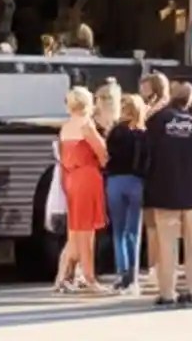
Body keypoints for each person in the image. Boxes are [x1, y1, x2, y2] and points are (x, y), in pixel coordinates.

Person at [144, 82, 192, 308]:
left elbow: (147, 157)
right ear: (190, 101)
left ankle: (167, 293)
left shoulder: (156, 122)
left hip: (164, 194)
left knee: (166, 246)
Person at [58, 86, 109, 294]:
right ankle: (89, 278)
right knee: (87, 232)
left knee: (75, 230)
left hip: (70, 178)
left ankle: (62, 276)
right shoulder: (86, 125)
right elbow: (103, 154)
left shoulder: (65, 127)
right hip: (87, 177)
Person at [105, 92, 148, 294]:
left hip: (115, 182)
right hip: (136, 183)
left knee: (118, 232)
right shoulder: (143, 135)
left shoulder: (114, 132)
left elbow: (107, 157)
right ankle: (134, 277)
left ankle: (121, 274)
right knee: (134, 231)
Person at [138, 72, 170, 283]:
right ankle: (158, 265)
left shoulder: (154, 113)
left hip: (154, 174)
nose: (141, 90)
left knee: (154, 225)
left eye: (145, 87)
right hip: (162, 174)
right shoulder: (164, 109)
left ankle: (155, 265)